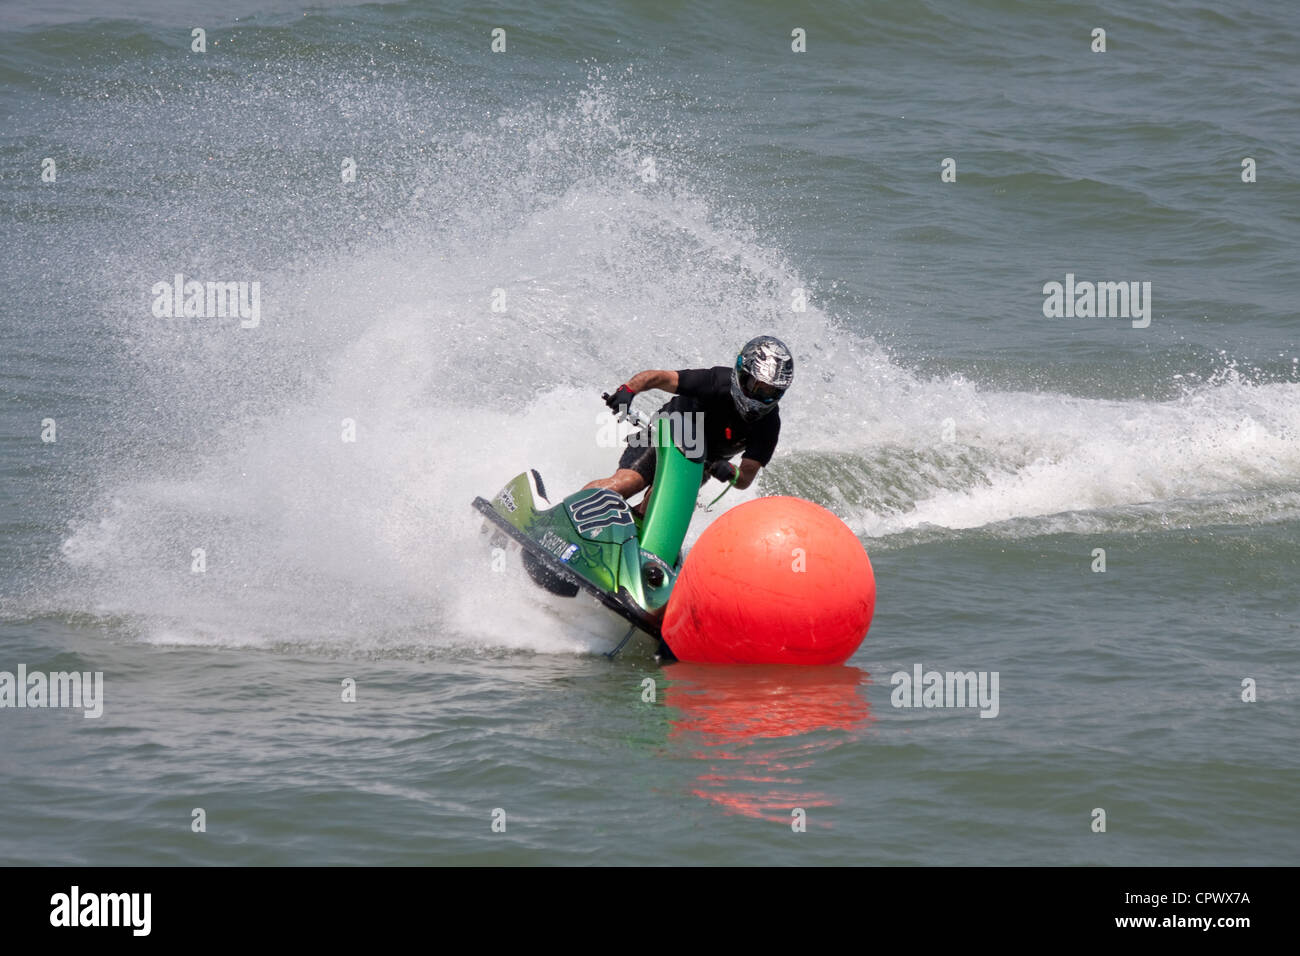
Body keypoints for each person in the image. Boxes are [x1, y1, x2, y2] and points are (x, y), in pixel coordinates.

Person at [582, 336, 794, 515]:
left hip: (698, 464)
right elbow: (657, 377)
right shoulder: (715, 381)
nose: (760, 396)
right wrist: (628, 390)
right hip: (662, 434)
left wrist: (730, 471)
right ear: (741, 374)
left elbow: (746, 477)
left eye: (770, 392)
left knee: (659, 506)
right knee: (626, 483)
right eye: (757, 387)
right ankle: (568, 514)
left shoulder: (769, 424)